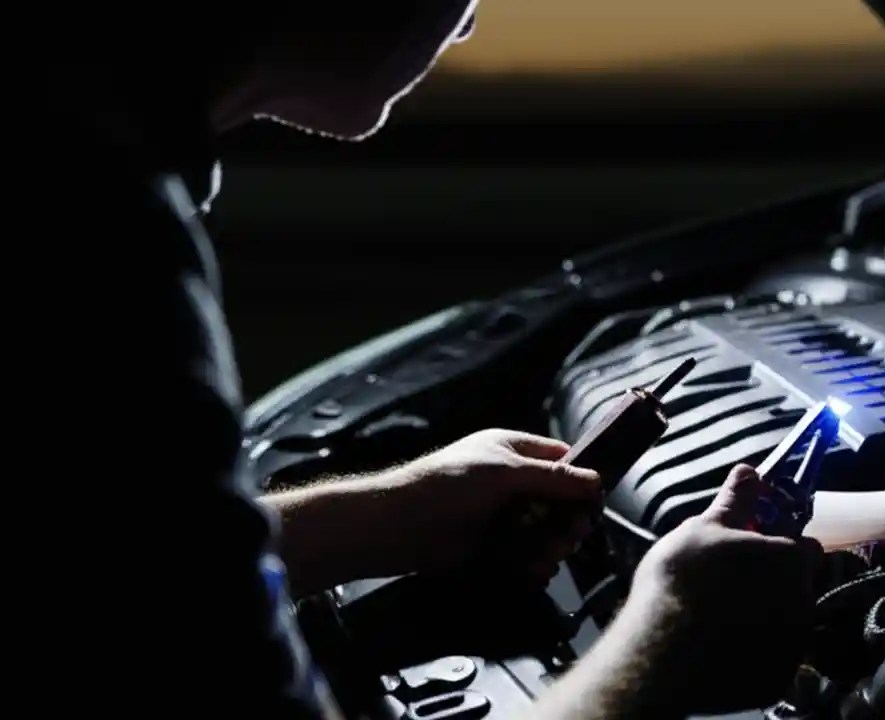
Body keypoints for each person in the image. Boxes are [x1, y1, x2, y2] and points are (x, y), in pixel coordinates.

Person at [44, 3, 821, 717]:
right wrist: (666, 645)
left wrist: (373, 517)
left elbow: (102, 569)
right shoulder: (96, 239)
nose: (468, 22)